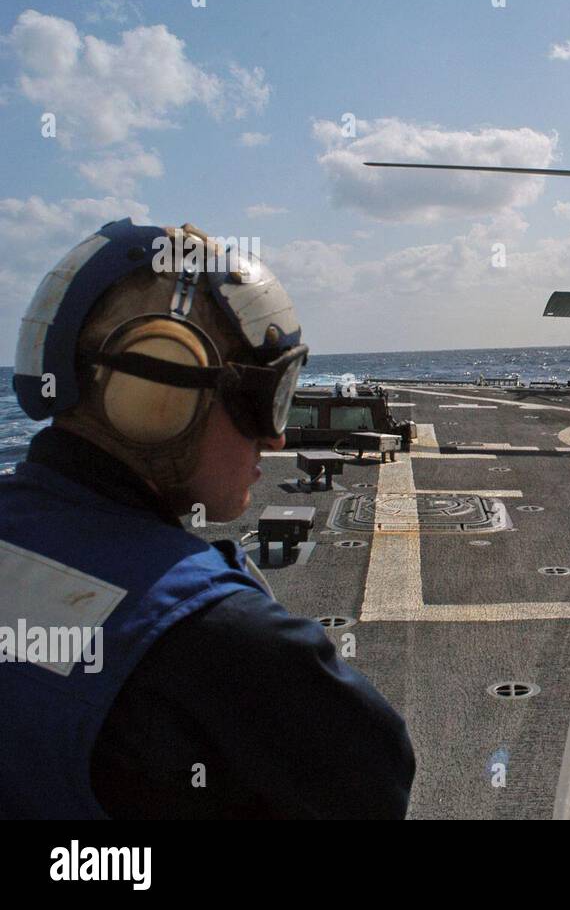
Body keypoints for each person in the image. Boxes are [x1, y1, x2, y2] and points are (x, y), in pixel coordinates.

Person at [0, 219, 415, 818]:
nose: (274, 439)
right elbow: (375, 780)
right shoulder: (228, 641)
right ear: (160, 393)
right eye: (264, 396)